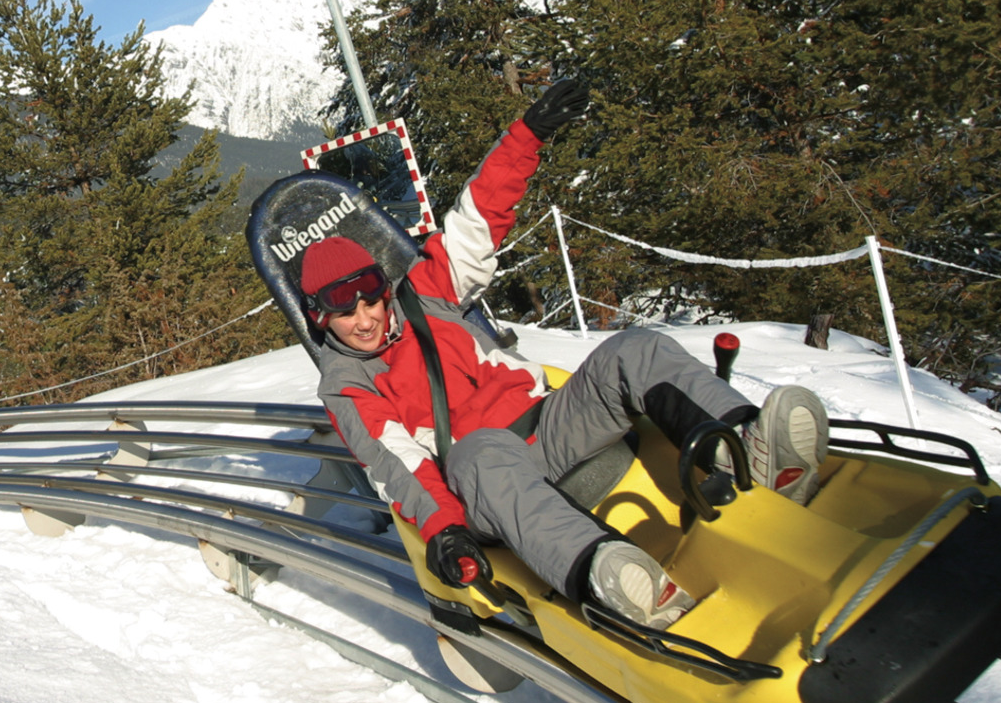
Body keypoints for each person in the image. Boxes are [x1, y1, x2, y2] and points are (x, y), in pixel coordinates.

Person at [306, 81, 828, 631]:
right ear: (323, 317)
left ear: (383, 289)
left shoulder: (426, 292)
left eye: (370, 299)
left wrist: (527, 134)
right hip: (481, 475)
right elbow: (398, 465)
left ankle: (747, 451)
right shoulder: (347, 382)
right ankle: (607, 572)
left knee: (634, 349)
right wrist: (445, 530)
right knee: (482, 450)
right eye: (346, 313)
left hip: (549, 424)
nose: (364, 319)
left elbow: (478, 215)